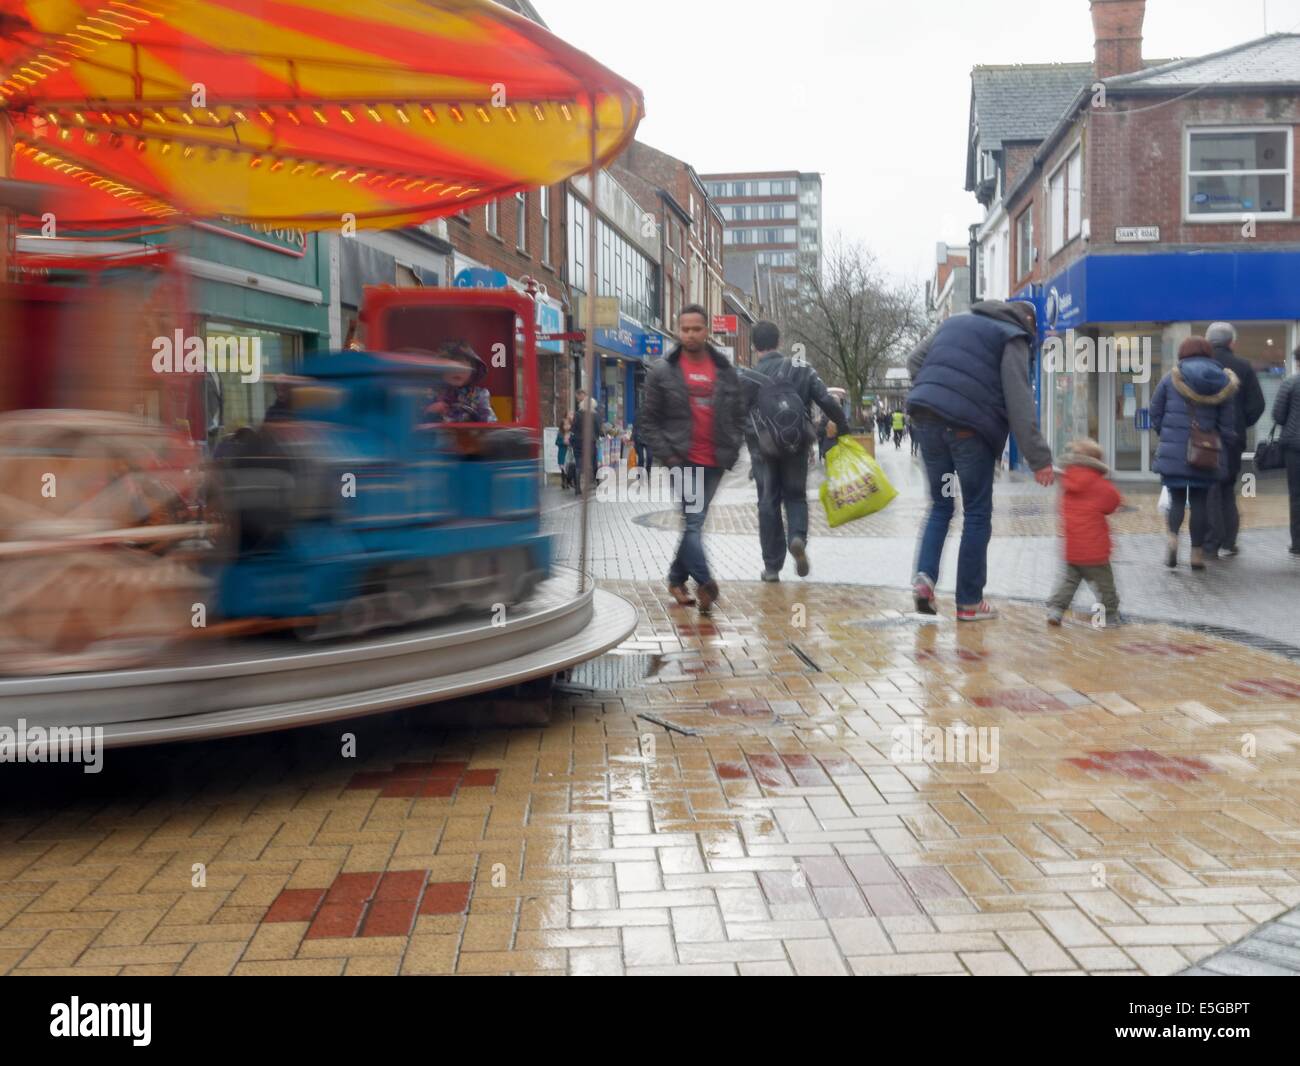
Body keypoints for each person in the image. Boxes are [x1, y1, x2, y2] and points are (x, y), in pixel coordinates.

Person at [906, 298, 1054, 622]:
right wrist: (1039, 458)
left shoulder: (954, 322)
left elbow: (914, 359)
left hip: (928, 425)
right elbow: (1019, 398)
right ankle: (969, 602)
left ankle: (924, 580)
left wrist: (937, 390)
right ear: (1028, 321)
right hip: (968, 434)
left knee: (942, 504)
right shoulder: (1012, 336)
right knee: (976, 512)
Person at [640, 303, 746, 613]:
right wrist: (669, 457)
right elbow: (648, 421)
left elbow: (739, 414)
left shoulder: (725, 371)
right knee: (695, 521)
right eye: (685, 329)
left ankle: (675, 579)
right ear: (677, 330)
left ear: (707, 331)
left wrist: (733, 445)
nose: (690, 334)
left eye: (696, 328)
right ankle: (704, 582)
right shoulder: (662, 370)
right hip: (682, 460)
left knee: (692, 523)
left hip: (714, 461)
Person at [739, 320, 848, 582]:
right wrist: (843, 427)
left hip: (763, 450)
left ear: (754, 346)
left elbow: (735, 414)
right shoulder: (801, 368)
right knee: (796, 496)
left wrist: (752, 439)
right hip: (796, 444)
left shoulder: (747, 377)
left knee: (768, 503)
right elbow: (826, 399)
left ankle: (772, 567)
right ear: (779, 343)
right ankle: (797, 538)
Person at [1151, 336, 1239, 572]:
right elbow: (1228, 426)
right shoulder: (1223, 381)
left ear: (1183, 352)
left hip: (1174, 452)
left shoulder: (1171, 378)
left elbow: (1155, 411)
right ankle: (1197, 555)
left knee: (1177, 499)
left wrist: (1166, 434)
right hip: (1206, 454)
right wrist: (1220, 442)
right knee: (1200, 503)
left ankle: (1172, 540)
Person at [1045, 439, 1124, 627]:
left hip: (1073, 547)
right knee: (1105, 586)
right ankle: (1109, 616)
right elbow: (1112, 503)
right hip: (1095, 549)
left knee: (1068, 582)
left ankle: (1056, 610)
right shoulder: (1099, 484)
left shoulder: (1067, 484)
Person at [1203, 322, 1265, 558]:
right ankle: (1230, 539)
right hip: (1233, 439)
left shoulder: (1200, 366)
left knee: (1210, 489)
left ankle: (1212, 542)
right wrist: (1241, 423)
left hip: (1205, 437)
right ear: (1232, 342)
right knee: (1228, 488)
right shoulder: (1243, 367)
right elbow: (1257, 404)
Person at [1269, 355, 1300, 556]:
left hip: (1294, 446)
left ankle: (1297, 543)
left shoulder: (1290, 382)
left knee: (1296, 495)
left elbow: (1278, 415)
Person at [424, 341, 496, 423]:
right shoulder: (432, 393)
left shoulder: (479, 395)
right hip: (438, 434)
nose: (457, 371)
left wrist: (478, 416)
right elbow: (415, 424)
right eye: (451, 367)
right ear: (440, 371)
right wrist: (430, 411)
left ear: (472, 372)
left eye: (463, 367)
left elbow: (490, 422)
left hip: (470, 435)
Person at [557, 413, 573, 489]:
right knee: (563, 469)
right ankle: (564, 483)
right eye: (565, 425)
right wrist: (563, 442)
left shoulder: (571, 434)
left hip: (569, 454)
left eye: (568, 425)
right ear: (562, 426)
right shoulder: (560, 434)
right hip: (562, 453)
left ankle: (569, 481)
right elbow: (556, 442)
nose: (567, 426)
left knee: (569, 468)